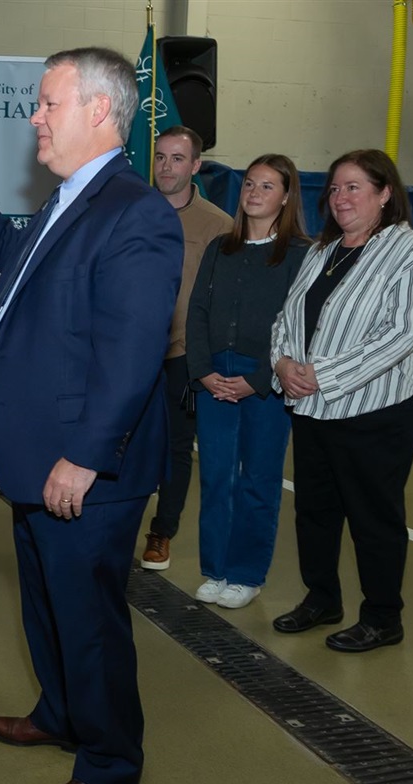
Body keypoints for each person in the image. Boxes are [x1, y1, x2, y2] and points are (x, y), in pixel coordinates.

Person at [0, 47, 181, 784]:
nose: (34, 118)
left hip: (86, 463)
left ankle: (110, 762)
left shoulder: (135, 211)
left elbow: (132, 349)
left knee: (88, 620)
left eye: (49, 104)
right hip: (36, 453)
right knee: (48, 605)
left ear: (100, 112)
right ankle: (59, 711)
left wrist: (84, 455)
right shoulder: (73, 199)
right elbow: (29, 263)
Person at [269, 149, 413, 652]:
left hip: (378, 411)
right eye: (335, 189)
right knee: (315, 511)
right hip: (315, 409)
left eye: (354, 187)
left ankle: (383, 616)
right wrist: (282, 364)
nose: (340, 198)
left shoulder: (410, 253)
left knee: (373, 517)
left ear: (386, 194)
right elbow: (287, 317)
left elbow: (403, 334)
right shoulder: (324, 251)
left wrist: (321, 375)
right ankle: (322, 598)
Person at [185, 155, 310, 609]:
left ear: (286, 196)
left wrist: (258, 380)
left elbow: (301, 328)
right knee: (218, 476)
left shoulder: (300, 254)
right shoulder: (222, 247)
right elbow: (197, 310)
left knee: (258, 478)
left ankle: (246, 574)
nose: (254, 193)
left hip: (266, 380)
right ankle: (215, 568)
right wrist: (202, 370)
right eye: (249, 184)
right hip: (215, 373)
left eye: (267, 186)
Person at [139, 126, 233, 571]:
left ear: (196, 166)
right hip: (130, 354)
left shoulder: (218, 226)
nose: (166, 167)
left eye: (177, 158)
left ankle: (162, 532)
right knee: (124, 440)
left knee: (177, 447)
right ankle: (116, 524)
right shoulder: (132, 210)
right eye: (160, 157)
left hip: (181, 355)